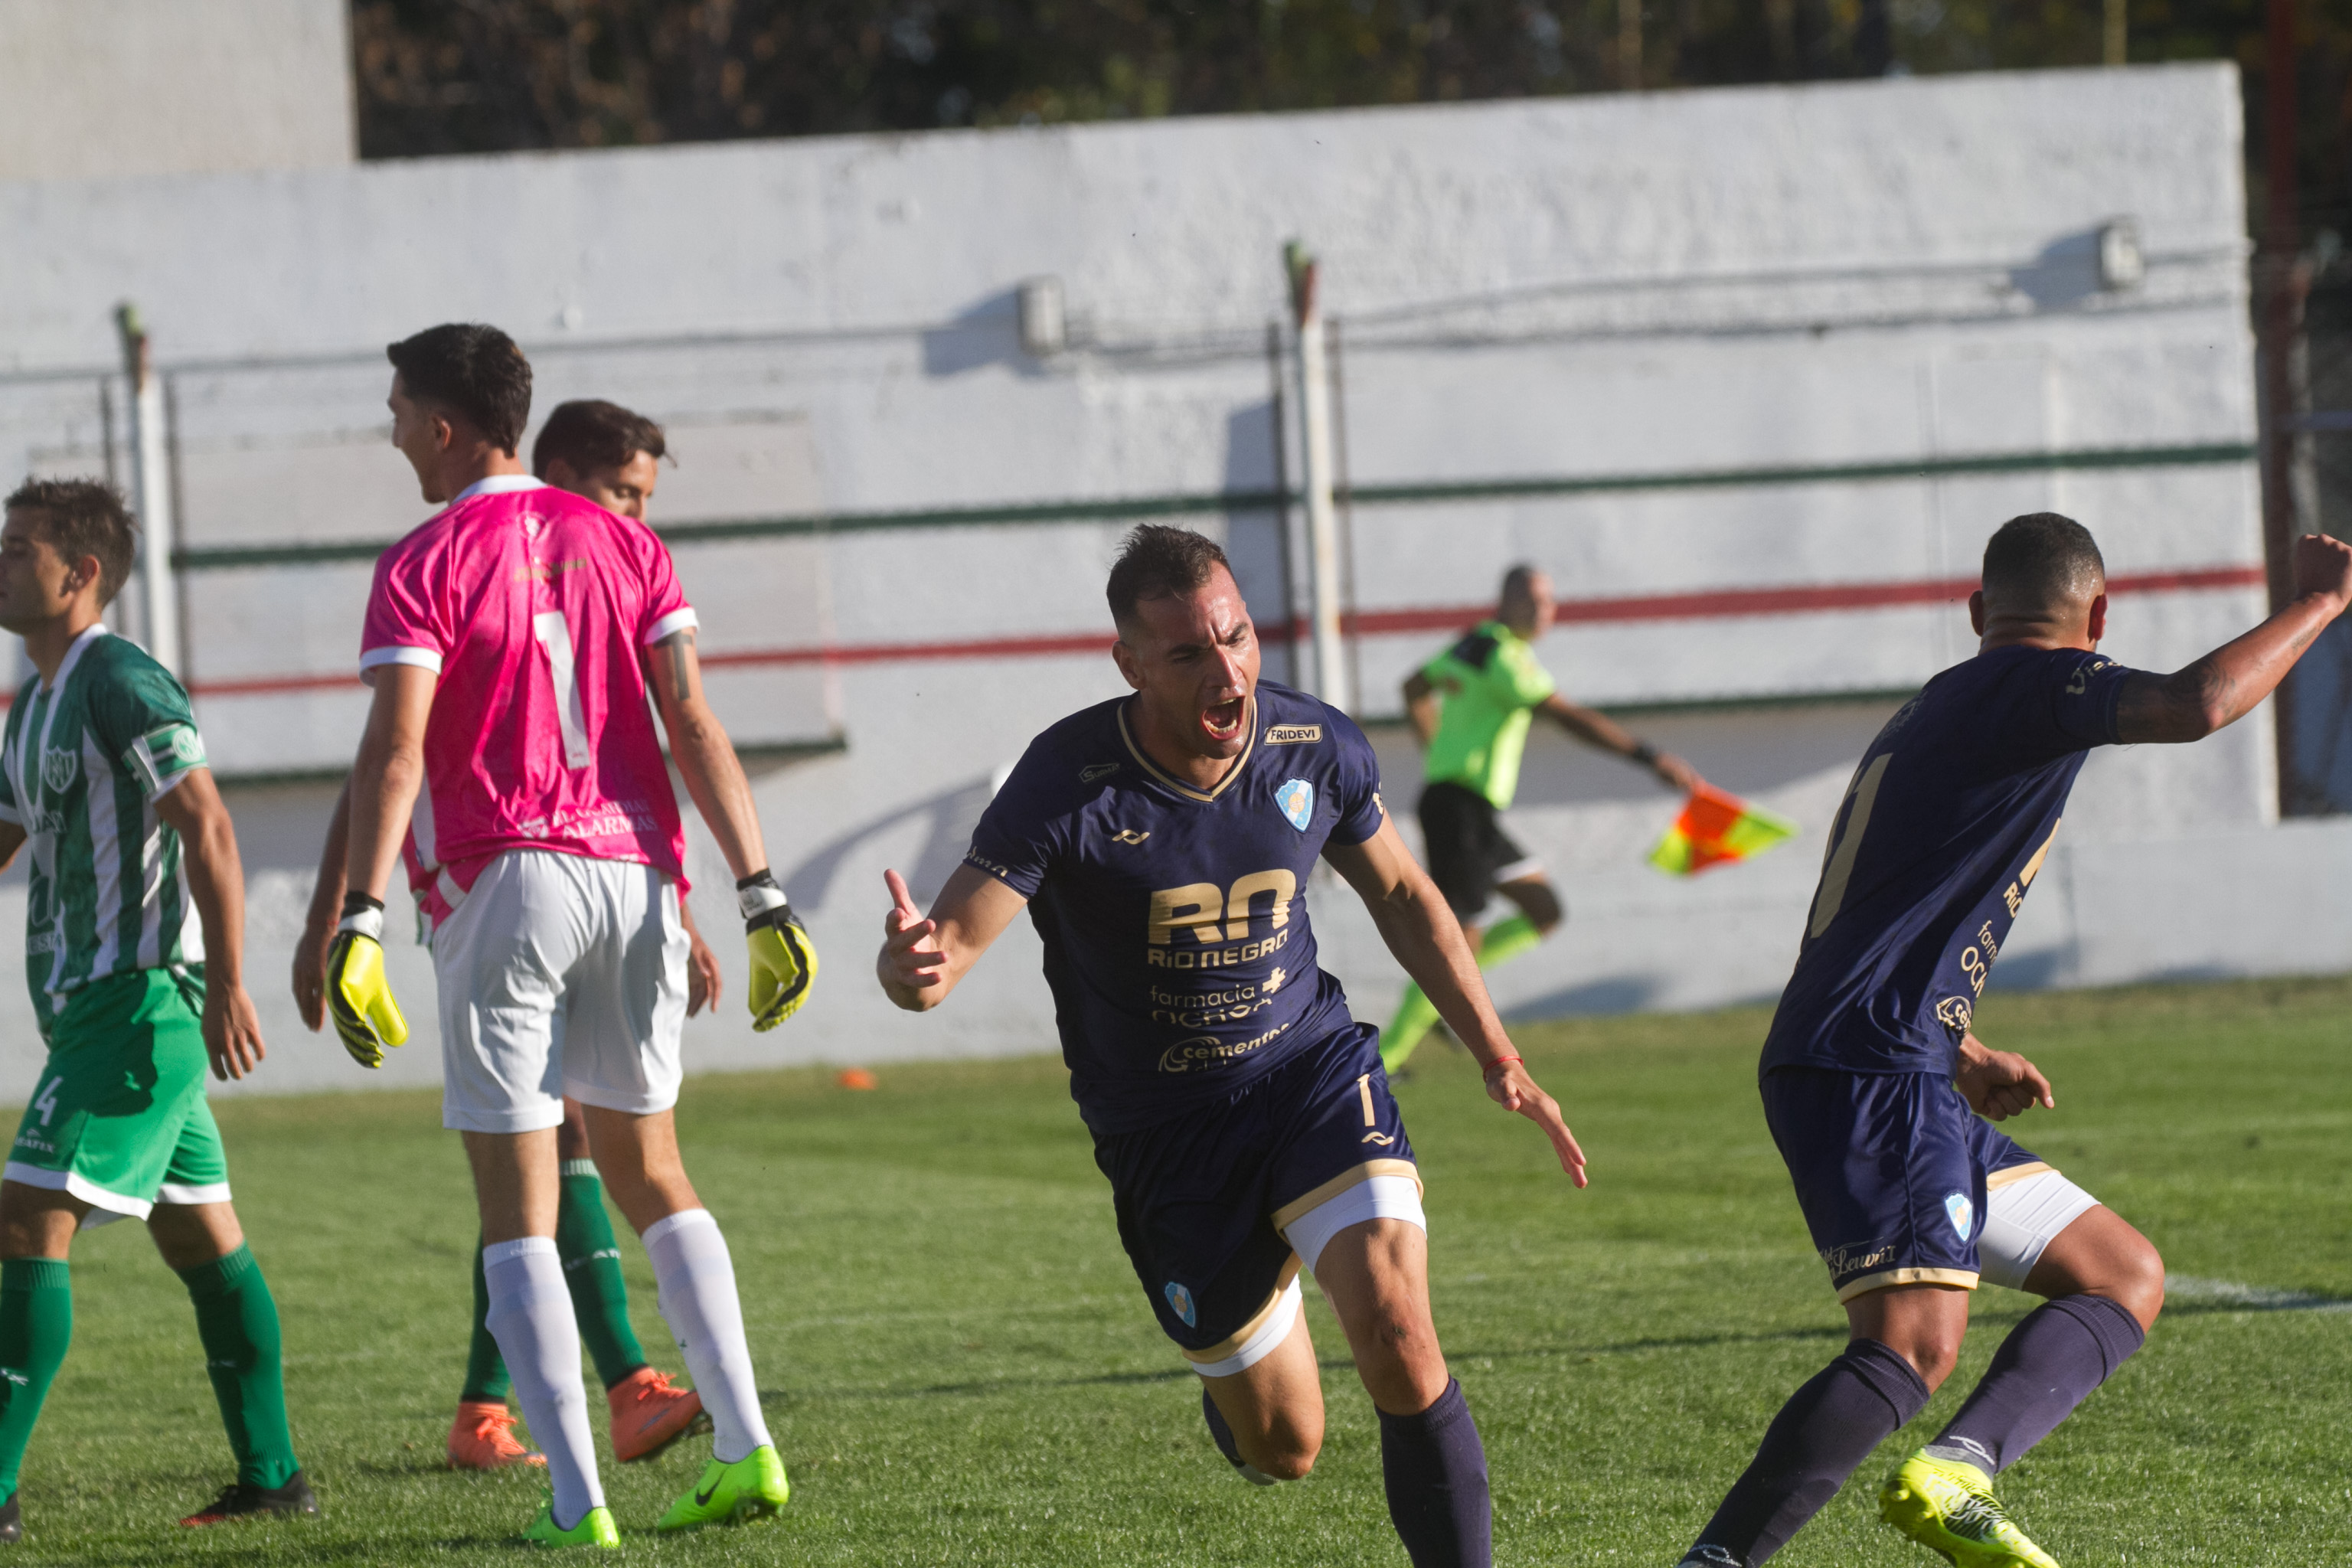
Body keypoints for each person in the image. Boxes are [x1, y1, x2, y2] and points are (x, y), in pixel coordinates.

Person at [877, 524, 1586, 1568]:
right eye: (1189, 655)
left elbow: (1402, 892)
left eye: (1238, 637)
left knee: (1398, 1336)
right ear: (1131, 665)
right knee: (1286, 1447)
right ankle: (1246, 1364)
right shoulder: (1067, 778)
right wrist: (912, 970)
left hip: (1309, 1073)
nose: (1228, 672)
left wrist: (1496, 1051)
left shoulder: (1314, 745)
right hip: (1165, 1134)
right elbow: (947, 949)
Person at [1676, 513, 2352, 1568]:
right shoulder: (2030, 689)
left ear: (1976, 610)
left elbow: (1892, 912)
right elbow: (2196, 704)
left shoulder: (1946, 703)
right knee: (1911, 1341)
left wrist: (1960, 1044)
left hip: (1894, 1055)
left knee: (2121, 1272)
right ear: (2098, 618)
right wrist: (2320, 604)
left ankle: (1963, 1468)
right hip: (1872, 1068)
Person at [315, 323, 817, 1546]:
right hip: (639, 877)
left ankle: (578, 1502)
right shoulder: (627, 542)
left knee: (518, 1208)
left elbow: (394, 752)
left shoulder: (422, 558)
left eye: (397, 412)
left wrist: (361, 919)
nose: (390, 433)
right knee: (657, 1174)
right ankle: (749, 1450)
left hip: (511, 880)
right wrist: (762, 892)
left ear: (443, 425)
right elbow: (690, 718)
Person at [295, 398, 724, 1472]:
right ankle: (627, 1386)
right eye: (623, 493)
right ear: (564, 471)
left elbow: (612, 775)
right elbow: (382, 758)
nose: (634, 516)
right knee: (561, 1142)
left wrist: (679, 911)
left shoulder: (589, 586)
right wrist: (334, 921)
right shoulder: (475, 569)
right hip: (481, 889)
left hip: (580, 890)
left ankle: (484, 1409)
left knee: (532, 1164)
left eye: (644, 501)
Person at [0, 479, 313, 1538]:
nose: (0, 564)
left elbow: (208, 825)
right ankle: (273, 1480)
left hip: (138, 1004)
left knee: (25, 1217)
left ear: (78, 573)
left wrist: (227, 980)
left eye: (16, 549)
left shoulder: (123, 682)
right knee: (202, 1240)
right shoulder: (33, 702)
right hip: (89, 1008)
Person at [1380, 564, 1702, 1076]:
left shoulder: (1475, 643)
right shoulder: (1506, 655)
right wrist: (1649, 756)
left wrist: (1437, 751)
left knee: (1542, 908)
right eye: (1531, 599)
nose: (1543, 610)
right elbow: (1567, 715)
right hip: (1460, 811)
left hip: (1466, 807)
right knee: (1459, 943)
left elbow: (1414, 687)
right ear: (1505, 600)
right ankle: (1383, 1059)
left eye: (1549, 601)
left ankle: (1445, 1000)